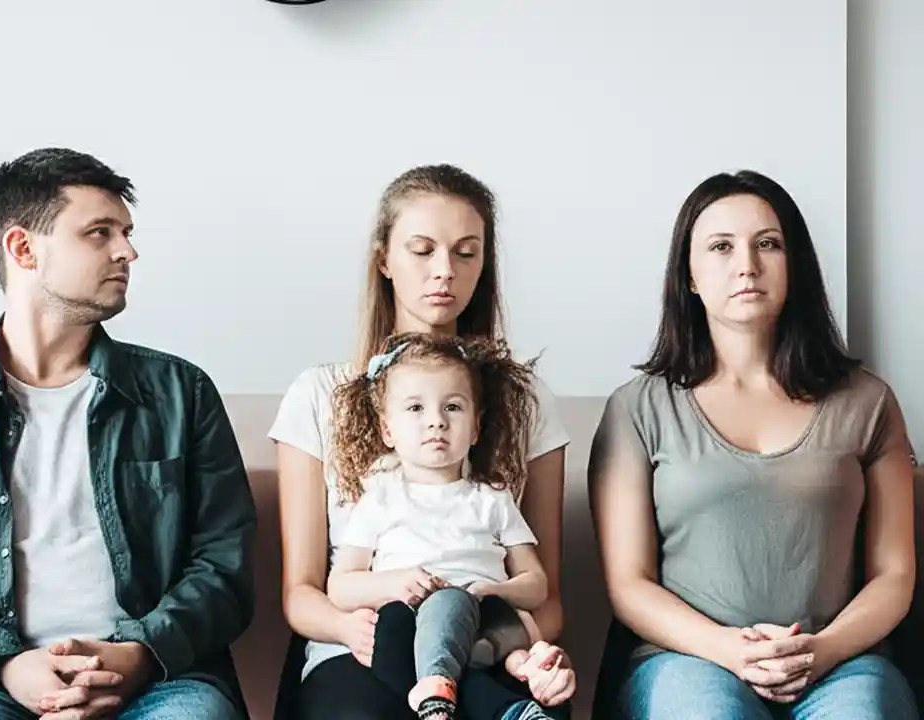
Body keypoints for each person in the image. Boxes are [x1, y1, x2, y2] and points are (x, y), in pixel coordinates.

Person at [0, 147, 256, 720]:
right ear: (23, 248)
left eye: (127, 232)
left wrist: (137, 654)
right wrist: (8, 665)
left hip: (160, 676)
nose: (128, 250)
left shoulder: (181, 393)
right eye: (99, 232)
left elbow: (225, 566)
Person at [589, 170, 918, 719]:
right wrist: (731, 652)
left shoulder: (869, 402)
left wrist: (822, 649)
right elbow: (629, 584)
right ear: (689, 275)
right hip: (688, 661)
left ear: (796, 266)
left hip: (843, 663)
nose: (748, 264)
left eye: (769, 244)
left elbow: (896, 574)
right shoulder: (636, 408)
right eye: (721, 247)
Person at [270, 164, 576, 720]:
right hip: (361, 646)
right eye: (421, 249)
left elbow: (546, 598)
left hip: (491, 644)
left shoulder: (527, 401)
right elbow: (302, 593)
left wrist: (504, 636)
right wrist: (348, 627)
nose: (445, 271)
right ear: (384, 259)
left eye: (466, 252)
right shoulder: (317, 395)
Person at [326, 332, 567, 720]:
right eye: (416, 408)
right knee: (391, 629)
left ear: (475, 428)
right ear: (388, 430)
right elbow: (340, 586)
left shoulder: (491, 498)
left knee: (470, 615)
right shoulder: (380, 497)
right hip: (409, 624)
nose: (436, 421)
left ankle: (462, 687)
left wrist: (495, 590)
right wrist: (394, 582)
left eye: (452, 407)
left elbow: (536, 583)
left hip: (485, 619)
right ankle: (496, 704)